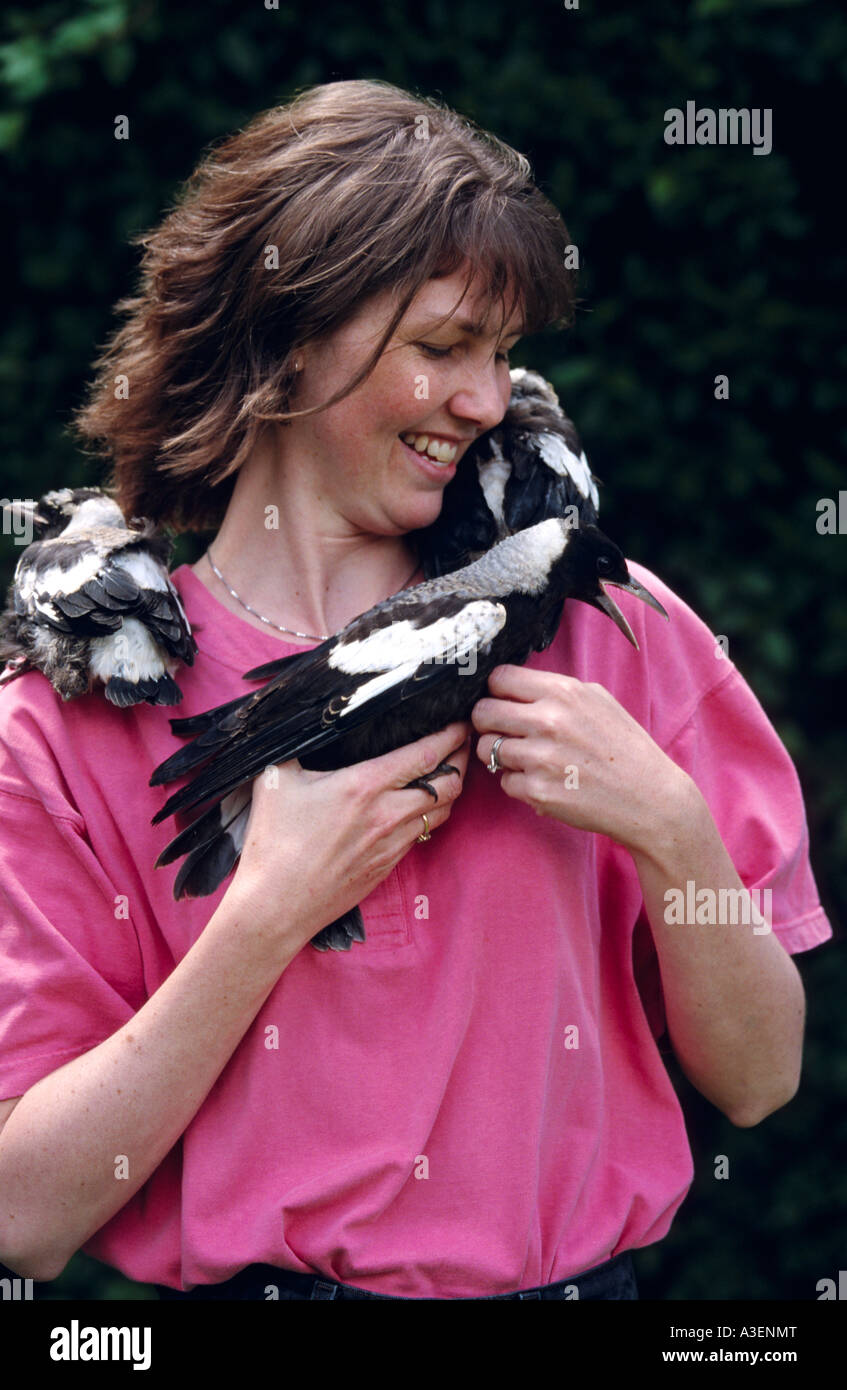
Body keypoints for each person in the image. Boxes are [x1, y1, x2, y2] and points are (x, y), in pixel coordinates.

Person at [0, 79, 831, 1302]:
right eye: (441, 348)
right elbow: (25, 1215)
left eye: (499, 355)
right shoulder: (71, 716)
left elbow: (760, 1080)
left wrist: (670, 827)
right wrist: (272, 905)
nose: (488, 402)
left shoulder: (610, 626)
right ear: (283, 336)